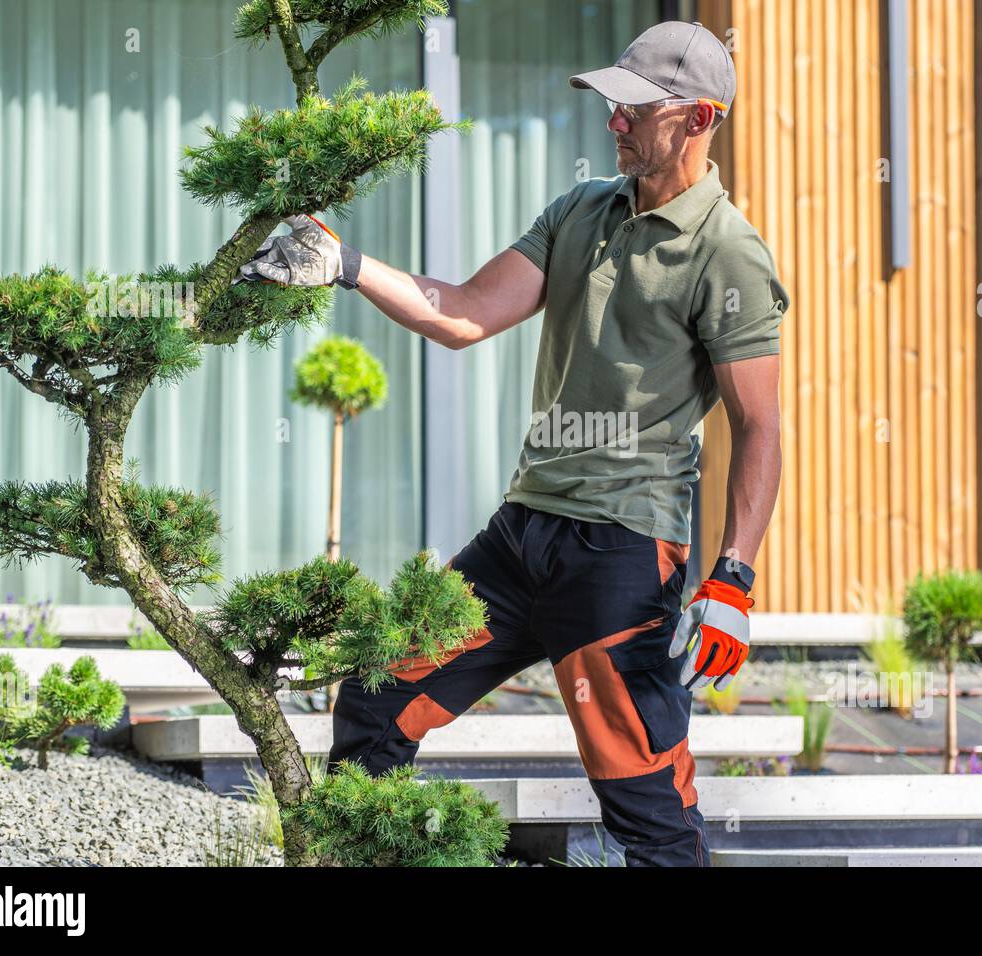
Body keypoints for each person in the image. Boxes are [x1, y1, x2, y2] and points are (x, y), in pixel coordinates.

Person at [238, 19, 790, 867]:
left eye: (636, 110)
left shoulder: (729, 256)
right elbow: (460, 312)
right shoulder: (581, 212)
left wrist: (734, 577)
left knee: (641, 792)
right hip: (521, 533)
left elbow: (758, 430)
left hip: (623, 550)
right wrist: (345, 264)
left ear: (698, 119)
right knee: (378, 701)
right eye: (614, 105)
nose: (614, 122)